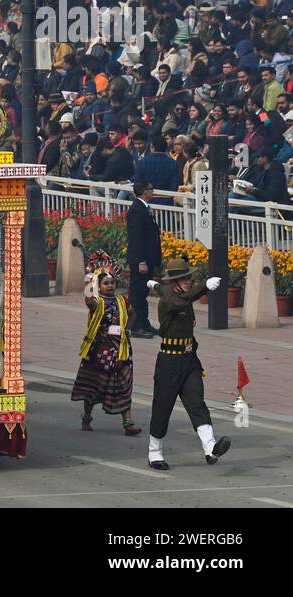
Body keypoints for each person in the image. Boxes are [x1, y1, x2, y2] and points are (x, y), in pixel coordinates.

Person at [143, 260, 229, 470]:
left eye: (190, 278)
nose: (190, 281)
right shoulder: (169, 301)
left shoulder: (177, 294)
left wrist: (155, 285)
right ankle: (155, 452)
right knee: (163, 407)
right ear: (175, 283)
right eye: (185, 278)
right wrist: (204, 287)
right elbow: (180, 300)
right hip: (169, 361)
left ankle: (210, 448)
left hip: (189, 360)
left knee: (196, 402)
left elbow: (178, 294)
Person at [72, 254, 141, 435]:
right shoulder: (97, 302)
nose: (110, 286)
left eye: (112, 283)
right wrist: (89, 275)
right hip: (99, 348)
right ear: (99, 285)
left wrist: (128, 330)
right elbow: (88, 299)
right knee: (94, 385)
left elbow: (133, 314)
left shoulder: (122, 301)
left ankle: (128, 423)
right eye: (106, 283)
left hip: (122, 347)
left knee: (125, 382)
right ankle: (87, 417)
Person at [125, 181, 162, 338]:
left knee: (143, 292)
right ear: (142, 191)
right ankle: (135, 325)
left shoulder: (145, 208)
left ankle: (144, 322)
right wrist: (141, 260)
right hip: (140, 259)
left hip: (148, 257)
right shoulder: (136, 210)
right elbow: (136, 238)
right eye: (150, 189)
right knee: (137, 293)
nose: (153, 191)